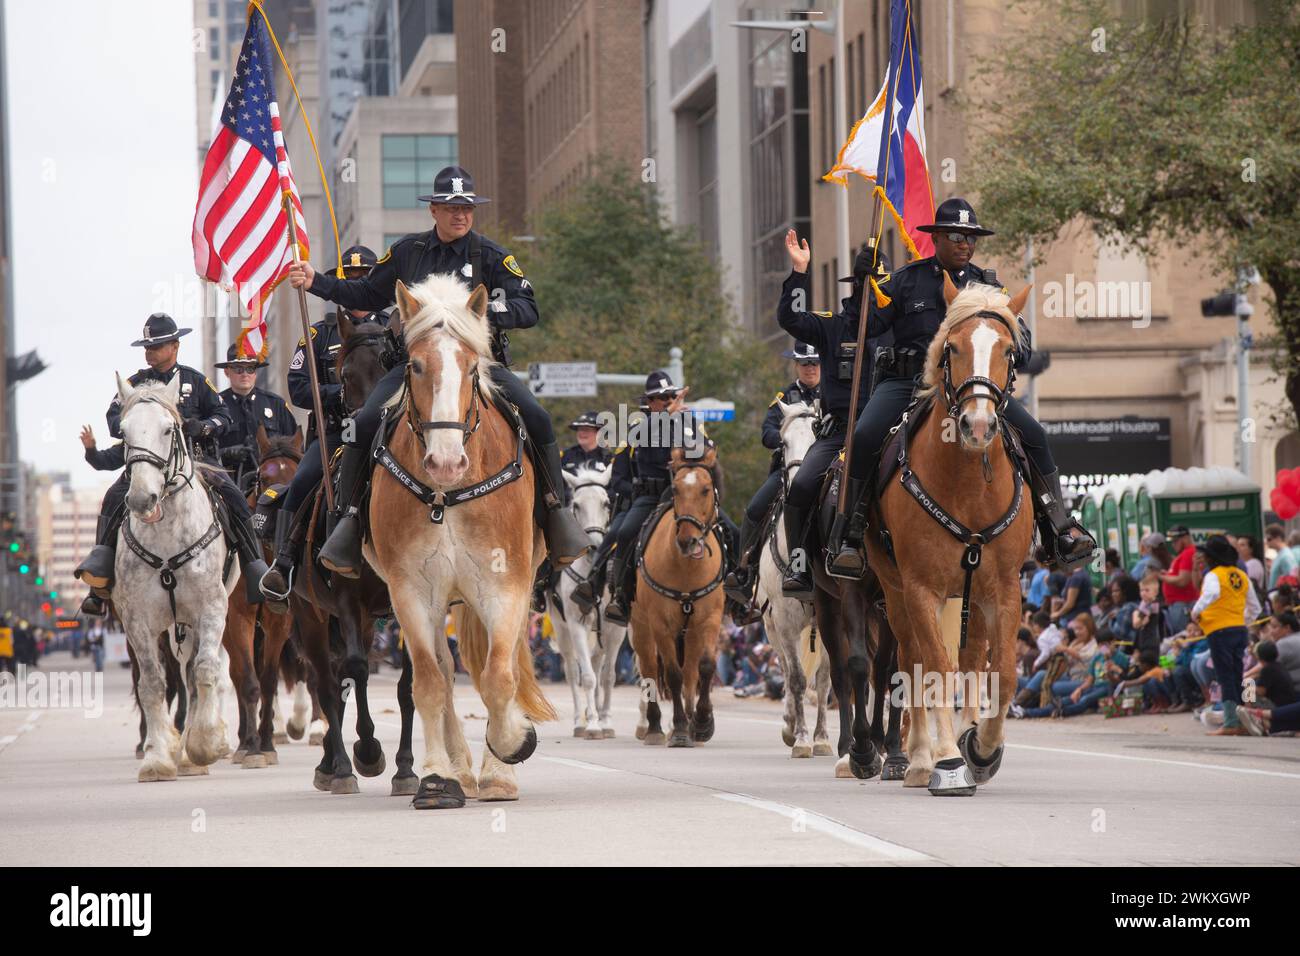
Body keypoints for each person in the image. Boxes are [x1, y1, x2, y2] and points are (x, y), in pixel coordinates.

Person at [281, 166, 589, 581]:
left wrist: (480, 315)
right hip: (416, 367)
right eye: (450, 207)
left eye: (467, 208)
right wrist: (317, 280)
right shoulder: (408, 252)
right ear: (434, 210)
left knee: (537, 415)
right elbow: (367, 293)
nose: (460, 215)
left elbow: (528, 308)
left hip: (476, 365)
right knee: (365, 421)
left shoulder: (491, 256)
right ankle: (349, 523)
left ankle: (557, 513)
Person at [834, 198, 1095, 577]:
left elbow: (1020, 346)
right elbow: (863, 327)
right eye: (956, 235)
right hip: (910, 382)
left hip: (975, 387)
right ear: (936, 237)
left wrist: (1012, 336)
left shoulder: (989, 288)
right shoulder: (906, 281)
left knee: (1035, 434)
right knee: (864, 434)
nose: (965, 244)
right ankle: (851, 533)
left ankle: (1057, 527)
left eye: (971, 237)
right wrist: (863, 286)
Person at [73, 313, 269, 615]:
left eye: (157, 346)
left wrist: (201, 427)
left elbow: (223, 416)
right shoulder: (134, 384)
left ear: (174, 346)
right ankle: (100, 576)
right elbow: (113, 419)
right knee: (113, 498)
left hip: (196, 461)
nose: (149, 353)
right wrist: (132, 419)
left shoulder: (194, 380)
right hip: (148, 463)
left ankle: (255, 568)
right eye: (147, 347)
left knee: (235, 500)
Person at [260, 245, 395, 605]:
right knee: (303, 480)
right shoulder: (318, 334)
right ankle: (284, 562)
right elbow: (299, 387)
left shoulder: (396, 330)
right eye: (350, 278)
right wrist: (341, 394)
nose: (358, 283)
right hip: (337, 432)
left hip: (388, 432)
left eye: (364, 277)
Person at [771, 237, 892, 596]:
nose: (876, 294)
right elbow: (790, 318)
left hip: (890, 434)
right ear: (855, 287)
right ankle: (798, 564)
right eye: (869, 286)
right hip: (840, 435)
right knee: (802, 486)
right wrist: (798, 272)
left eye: (882, 288)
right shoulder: (832, 326)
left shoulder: (898, 331)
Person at [569, 372, 733, 625]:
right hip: (650, 496)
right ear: (650, 402)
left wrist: (688, 442)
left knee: (731, 530)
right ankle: (618, 595)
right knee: (623, 533)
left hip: (684, 495)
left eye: (670, 396)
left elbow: (706, 449)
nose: (667, 401)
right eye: (661, 398)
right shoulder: (638, 427)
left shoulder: (688, 420)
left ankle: (738, 592)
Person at [724, 340, 821, 616]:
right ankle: (745, 573)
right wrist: (785, 438)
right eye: (804, 363)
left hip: (826, 469)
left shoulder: (835, 395)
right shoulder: (784, 397)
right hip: (787, 471)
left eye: (814, 363)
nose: (810, 368)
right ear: (796, 366)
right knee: (754, 510)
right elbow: (767, 431)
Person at [1192, 534, 1260, 735]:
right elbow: (1254, 607)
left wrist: (1195, 611)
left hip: (1218, 630)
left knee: (1225, 675)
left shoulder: (1213, 575)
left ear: (1212, 557)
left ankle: (1230, 722)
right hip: (1239, 630)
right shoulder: (1241, 575)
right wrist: (1242, 622)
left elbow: (1211, 594)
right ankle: (1241, 718)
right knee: (1237, 673)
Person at [214, 343, 299, 487]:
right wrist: (226, 453)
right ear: (227, 372)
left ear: (256, 372)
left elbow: (295, 446)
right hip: (230, 482)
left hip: (273, 482)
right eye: (238, 369)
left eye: (250, 368)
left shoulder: (276, 404)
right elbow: (204, 451)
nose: (245, 374)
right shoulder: (216, 405)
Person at [1158, 524, 1199, 633]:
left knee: (1182, 635)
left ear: (1185, 538)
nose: (1173, 545)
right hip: (1179, 604)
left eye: (1175, 541)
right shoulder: (1184, 554)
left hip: (1183, 604)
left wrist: (1162, 577)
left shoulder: (1188, 553)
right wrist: (1168, 574)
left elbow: (1183, 581)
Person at [1245, 639, 1297, 708]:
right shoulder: (1278, 665)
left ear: (1259, 657)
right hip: (1289, 702)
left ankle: (1249, 713)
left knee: (1248, 691)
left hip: (1278, 705)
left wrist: (1248, 686)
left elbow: (1261, 692)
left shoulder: (1267, 670)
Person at [561, 410, 614, 474]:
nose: (581, 433)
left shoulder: (609, 459)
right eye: (579, 429)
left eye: (586, 430)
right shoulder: (565, 456)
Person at [1265, 523, 1298, 588]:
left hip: (1280, 596)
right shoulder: (1281, 554)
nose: (1267, 542)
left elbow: (1292, 580)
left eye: (1269, 539)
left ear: (1278, 538)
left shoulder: (1286, 556)